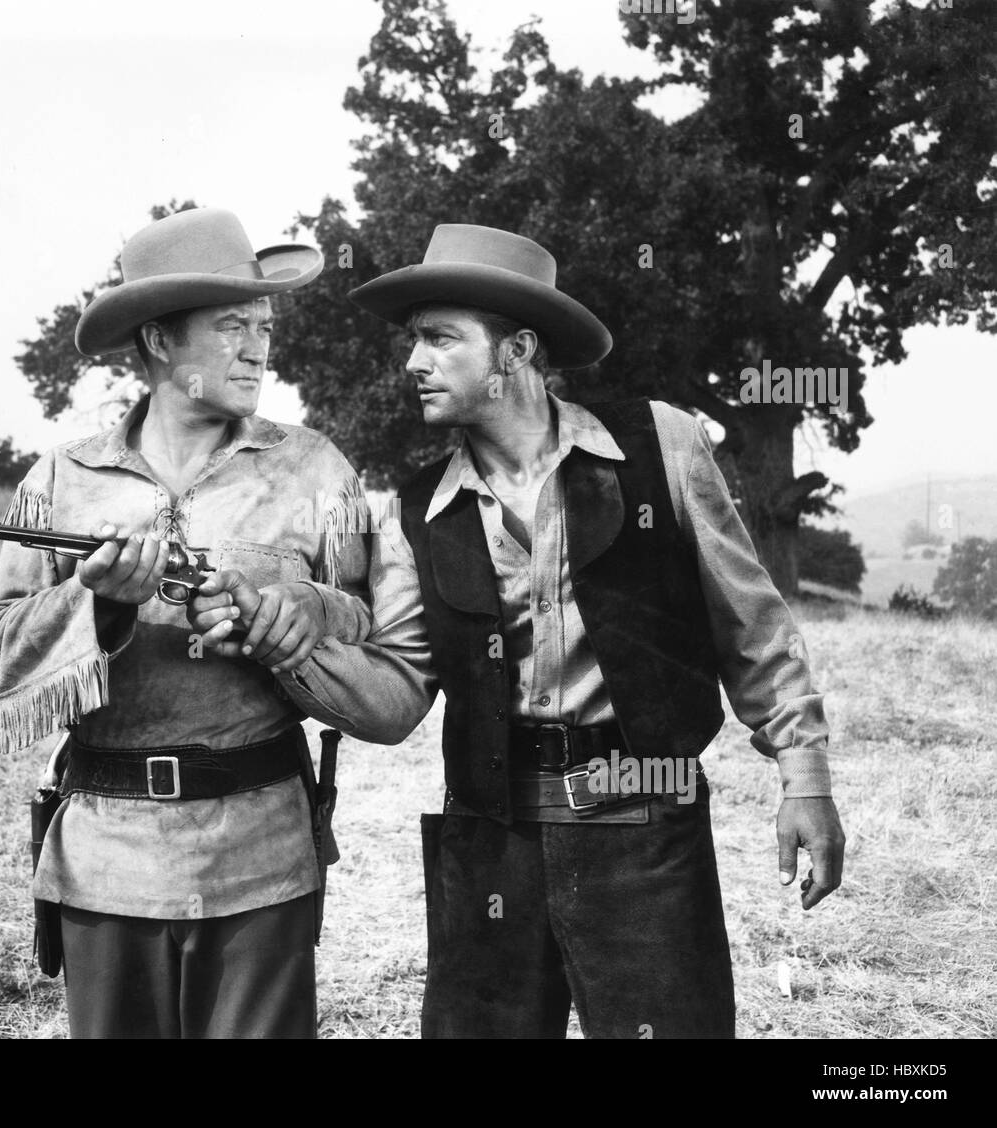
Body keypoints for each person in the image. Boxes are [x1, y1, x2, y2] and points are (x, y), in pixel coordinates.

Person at [191, 222, 846, 1039]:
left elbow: (752, 623)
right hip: (487, 834)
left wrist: (805, 777)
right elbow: (395, 697)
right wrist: (283, 637)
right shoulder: (418, 510)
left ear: (517, 351)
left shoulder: (660, 445)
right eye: (413, 341)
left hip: (645, 823)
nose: (413, 363)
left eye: (439, 339)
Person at [0, 207, 374, 1039]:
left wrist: (304, 609)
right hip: (106, 864)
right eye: (232, 326)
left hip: (263, 857)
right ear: (158, 342)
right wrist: (102, 604)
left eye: (262, 325)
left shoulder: (315, 468)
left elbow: (372, 626)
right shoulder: (62, 478)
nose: (259, 347)